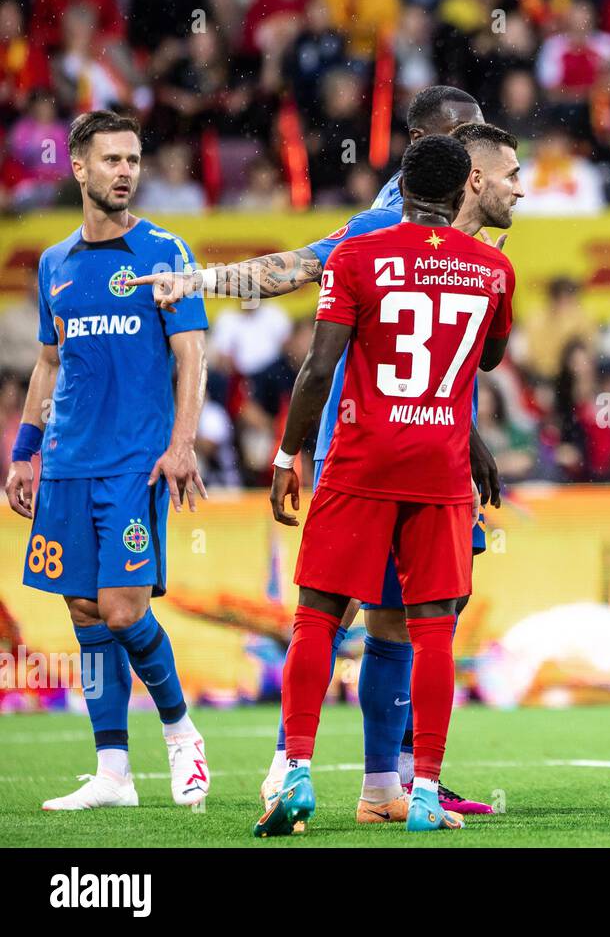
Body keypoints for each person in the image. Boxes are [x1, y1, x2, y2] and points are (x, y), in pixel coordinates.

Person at [124, 86, 502, 822]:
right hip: (363, 449)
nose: (484, 155)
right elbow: (293, 270)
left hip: (434, 444)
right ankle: (287, 765)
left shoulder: (467, 237)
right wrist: (197, 282)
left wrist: (473, 435)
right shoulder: (383, 224)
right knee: (335, 611)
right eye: (470, 138)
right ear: (432, 145)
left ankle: (392, 783)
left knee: (401, 618)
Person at [256, 133, 514, 835]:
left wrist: (287, 457)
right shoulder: (491, 268)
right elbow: (486, 358)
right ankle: (422, 790)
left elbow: (318, 368)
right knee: (432, 632)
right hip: (440, 465)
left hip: (362, 460)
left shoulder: (356, 256)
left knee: (317, 616)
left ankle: (297, 772)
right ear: (467, 185)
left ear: (400, 186)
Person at [3, 110, 210, 811]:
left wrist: (182, 444)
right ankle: (112, 772)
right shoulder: (56, 265)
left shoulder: (165, 251)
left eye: (134, 160)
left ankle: (182, 735)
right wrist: (25, 455)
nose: (126, 171)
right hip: (65, 466)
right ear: (79, 167)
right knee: (86, 613)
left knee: (124, 612)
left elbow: (192, 355)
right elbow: (49, 364)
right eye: (113, 160)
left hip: (134, 463)